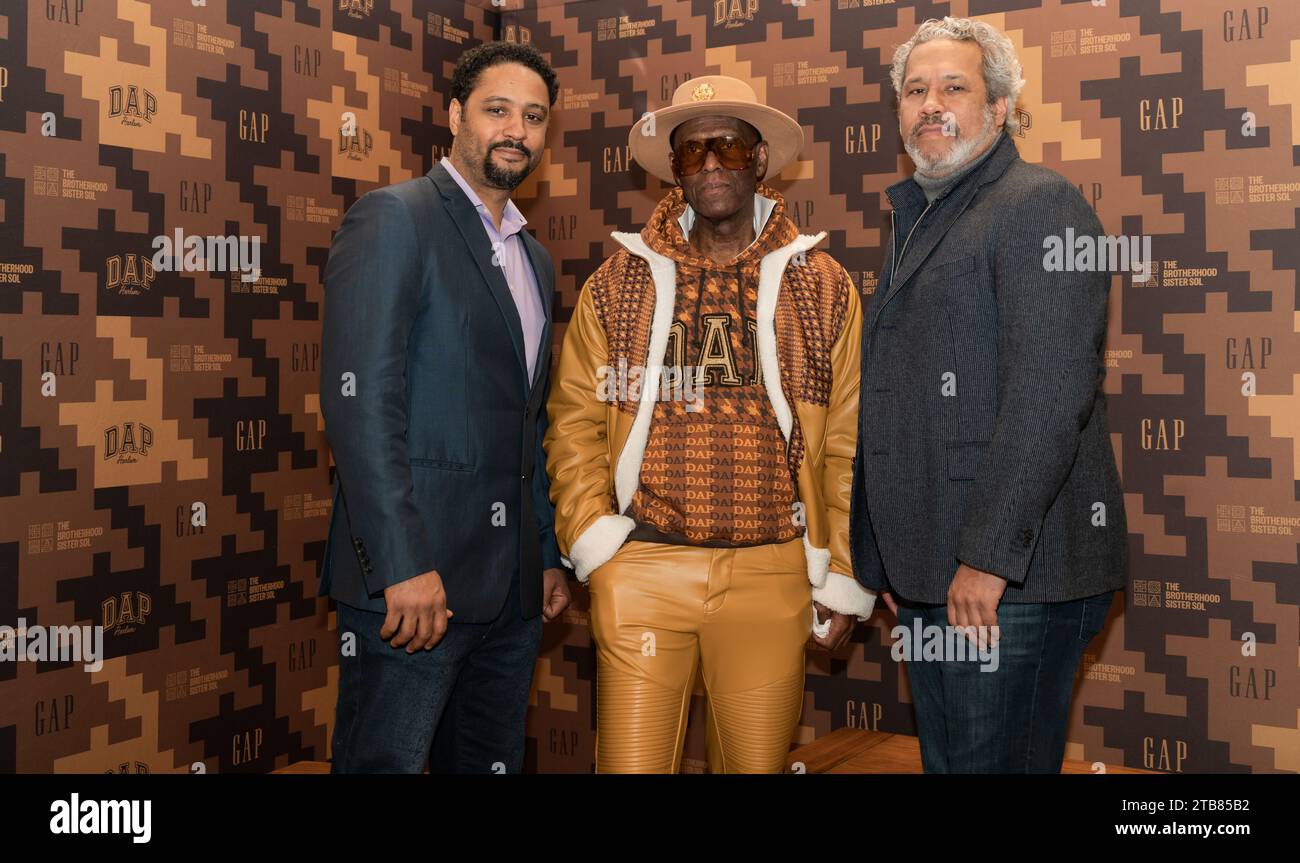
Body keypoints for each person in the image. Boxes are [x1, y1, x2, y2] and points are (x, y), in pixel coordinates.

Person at [544, 75, 877, 773]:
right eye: (692, 153)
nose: (713, 165)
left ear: (759, 159)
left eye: (728, 145)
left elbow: (846, 442)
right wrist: (594, 541)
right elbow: (574, 417)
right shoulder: (616, 283)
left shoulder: (822, 284)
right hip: (644, 568)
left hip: (772, 571)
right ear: (674, 169)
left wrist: (841, 573)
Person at [850, 16, 1128, 773]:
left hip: (1010, 582)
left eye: (953, 88)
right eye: (914, 90)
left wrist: (986, 560)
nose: (929, 104)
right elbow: (896, 405)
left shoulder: (1038, 204)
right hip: (937, 577)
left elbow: (1049, 395)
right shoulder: (922, 219)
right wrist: (885, 562)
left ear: (998, 109)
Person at [319, 41, 570, 774]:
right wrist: (401, 565)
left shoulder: (535, 257)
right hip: (413, 591)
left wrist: (545, 554)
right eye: (497, 110)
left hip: (512, 597)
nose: (516, 131)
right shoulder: (395, 219)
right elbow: (360, 408)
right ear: (456, 114)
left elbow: (533, 423)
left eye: (533, 116)